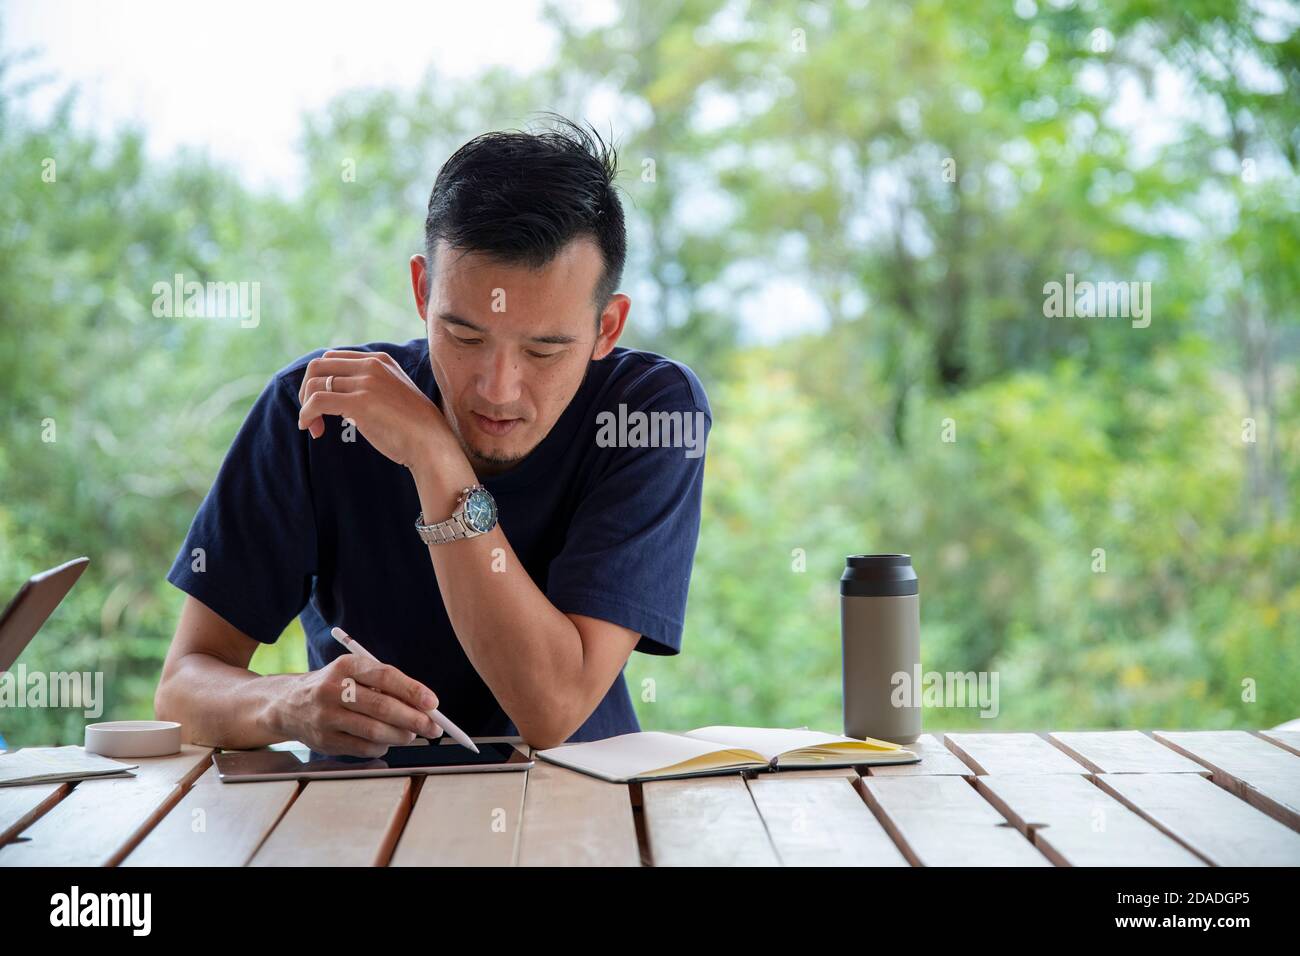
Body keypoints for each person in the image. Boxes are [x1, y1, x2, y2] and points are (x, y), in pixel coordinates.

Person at [154, 117, 711, 755]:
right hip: (360, 821)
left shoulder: (648, 413)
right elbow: (181, 689)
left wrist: (434, 454)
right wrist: (289, 702)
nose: (498, 389)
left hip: (577, 813)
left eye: (544, 351)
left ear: (607, 328)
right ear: (423, 291)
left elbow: (550, 708)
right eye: (466, 337)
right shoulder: (318, 408)